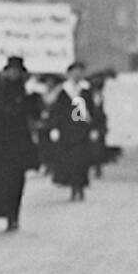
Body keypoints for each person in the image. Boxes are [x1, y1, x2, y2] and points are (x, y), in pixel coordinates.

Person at [0, 56, 42, 231]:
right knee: (2, 179)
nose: (13, 74)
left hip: (19, 142)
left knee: (17, 180)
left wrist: (33, 98)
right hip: (0, 142)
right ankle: (6, 213)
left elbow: (35, 114)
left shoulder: (27, 91)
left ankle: (14, 215)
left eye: (16, 71)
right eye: (11, 70)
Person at [46, 61, 100, 201]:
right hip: (67, 130)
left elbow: (92, 111)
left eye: (80, 71)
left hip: (82, 130)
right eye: (74, 71)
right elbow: (56, 111)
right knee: (70, 161)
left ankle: (80, 186)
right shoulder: (63, 91)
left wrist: (94, 128)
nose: (77, 74)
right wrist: (54, 128)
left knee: (81, 160)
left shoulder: (86, 90)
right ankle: (73, 187)